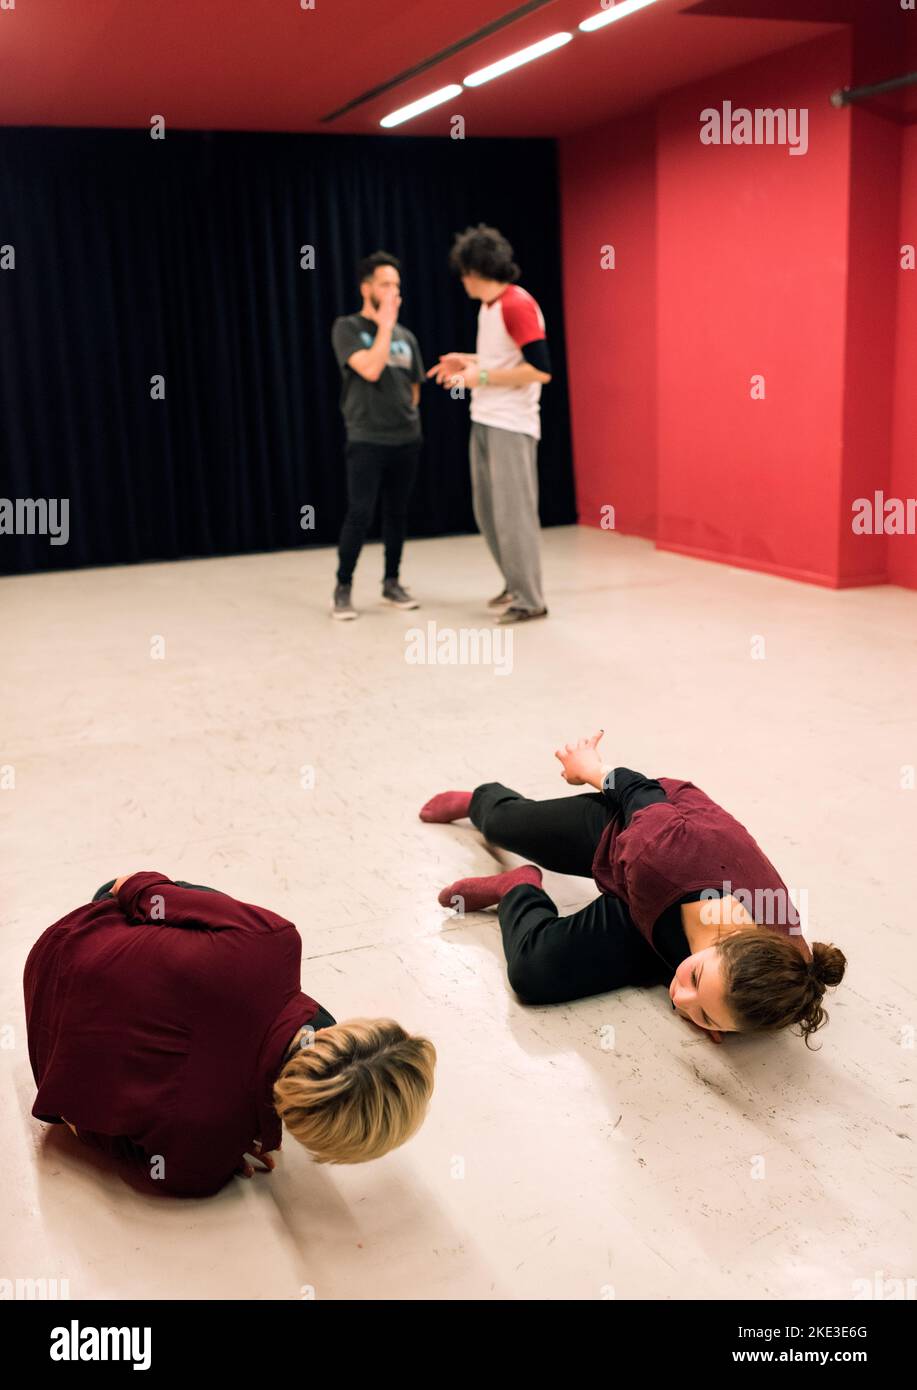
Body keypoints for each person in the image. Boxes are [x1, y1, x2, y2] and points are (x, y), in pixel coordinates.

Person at [420, 733, 846, 1047]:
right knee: (505, 827)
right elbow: (640, 790)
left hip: (652, 920)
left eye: (702, 1010)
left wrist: (714, 1001)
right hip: (628, 828)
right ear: (727, 942)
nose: (679, 999)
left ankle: (517, 886)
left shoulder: (785, 977)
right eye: (694, 980)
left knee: (532, 975)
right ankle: (481, 801)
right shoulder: (665, 852)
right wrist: (589, 767)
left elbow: (748, 995)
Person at [24, 873, 436, 1196]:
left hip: (73, 940)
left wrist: (131, 894)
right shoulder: (199, 1167)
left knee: (231, 946)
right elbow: (84, 1130)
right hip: (48, 1061)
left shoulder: (274, 941)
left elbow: (134, 888)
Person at [428, 224, 552, 624]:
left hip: (511, 424)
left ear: (477, 271)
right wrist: (468, 361)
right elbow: (504, 363)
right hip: (484, 417)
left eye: (464, 271)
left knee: (514, 513)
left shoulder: (516, 305)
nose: (462, 279)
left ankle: (530, 599)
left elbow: (540, 371)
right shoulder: (490, 308)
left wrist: (478, 378)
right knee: (488, 511)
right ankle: (514, 582)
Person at [330, 251, 425, 621]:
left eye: (397, 286)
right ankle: (343, 587)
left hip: (407, 438)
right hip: (367, 439)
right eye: (385, 284)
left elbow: (414, 387)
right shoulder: (348, 328)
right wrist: (384, 324)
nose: (392, 292)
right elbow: (369, 369)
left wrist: (408, 416)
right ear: (366, 287)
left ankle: (391, 581)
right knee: (360, 513)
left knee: (397, 514)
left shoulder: (407, 337)